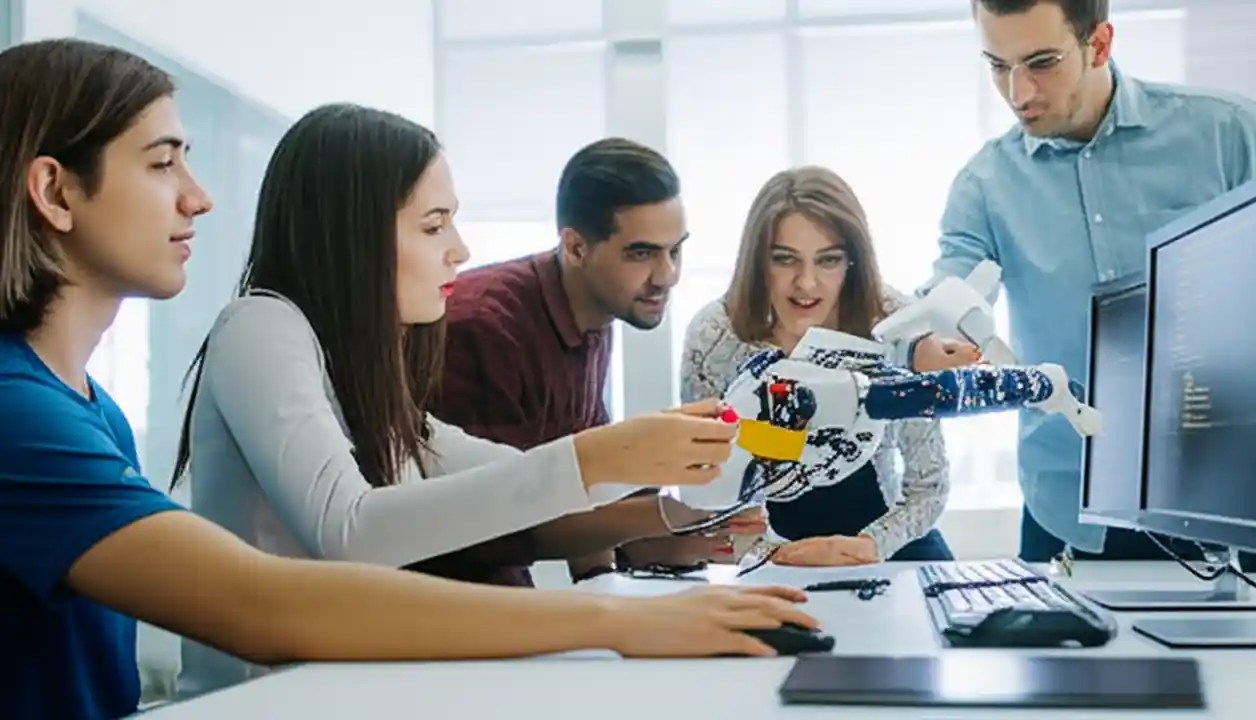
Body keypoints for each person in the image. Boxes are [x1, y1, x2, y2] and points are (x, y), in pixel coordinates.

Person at [0, 38, 817, 720]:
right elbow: (320, 557)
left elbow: (489, 469)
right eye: (161, 164)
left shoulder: (91, 408)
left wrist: (669, 485)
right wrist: (612, 598)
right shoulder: (227, 336)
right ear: (54, 191)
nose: (200, 199)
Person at [170, 104, 781, 693]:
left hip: (341, 688)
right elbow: (349, 531)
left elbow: (502, 474)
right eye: (434, 225)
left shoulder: (355, 364)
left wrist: (661, 467)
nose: (459, 249)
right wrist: (605, 458)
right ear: (353, 234)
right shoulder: (260, 326)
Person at [914, 0, 1256, 564]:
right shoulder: (985, 183)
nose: (1018, 93)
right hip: (1065, 510)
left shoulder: (1229, 134)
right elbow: (949, 285)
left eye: (1041, 62)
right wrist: (928, 341)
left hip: (1224, 501)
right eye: (997, 65)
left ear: (1100, 45)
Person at [437, 138, 762, 583]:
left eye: (676, 250)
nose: (667, 276)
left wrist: (680, 537)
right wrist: (672, 513)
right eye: (642, 253)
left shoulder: (598, 306)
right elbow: (499, 526)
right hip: (448, 600)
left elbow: (585, 487)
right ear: (575, 248)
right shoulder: (484, 329)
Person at [681, 166, 954, 566]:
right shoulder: (714, 335)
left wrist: (870, 546)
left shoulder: (899, 324)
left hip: (888, 543)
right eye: (784, 260)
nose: (806, 284)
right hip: (765, 555)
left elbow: (928, 485)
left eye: (828, 261)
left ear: (852, 263)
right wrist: (769, 552)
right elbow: (701, 479)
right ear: (757, 262)